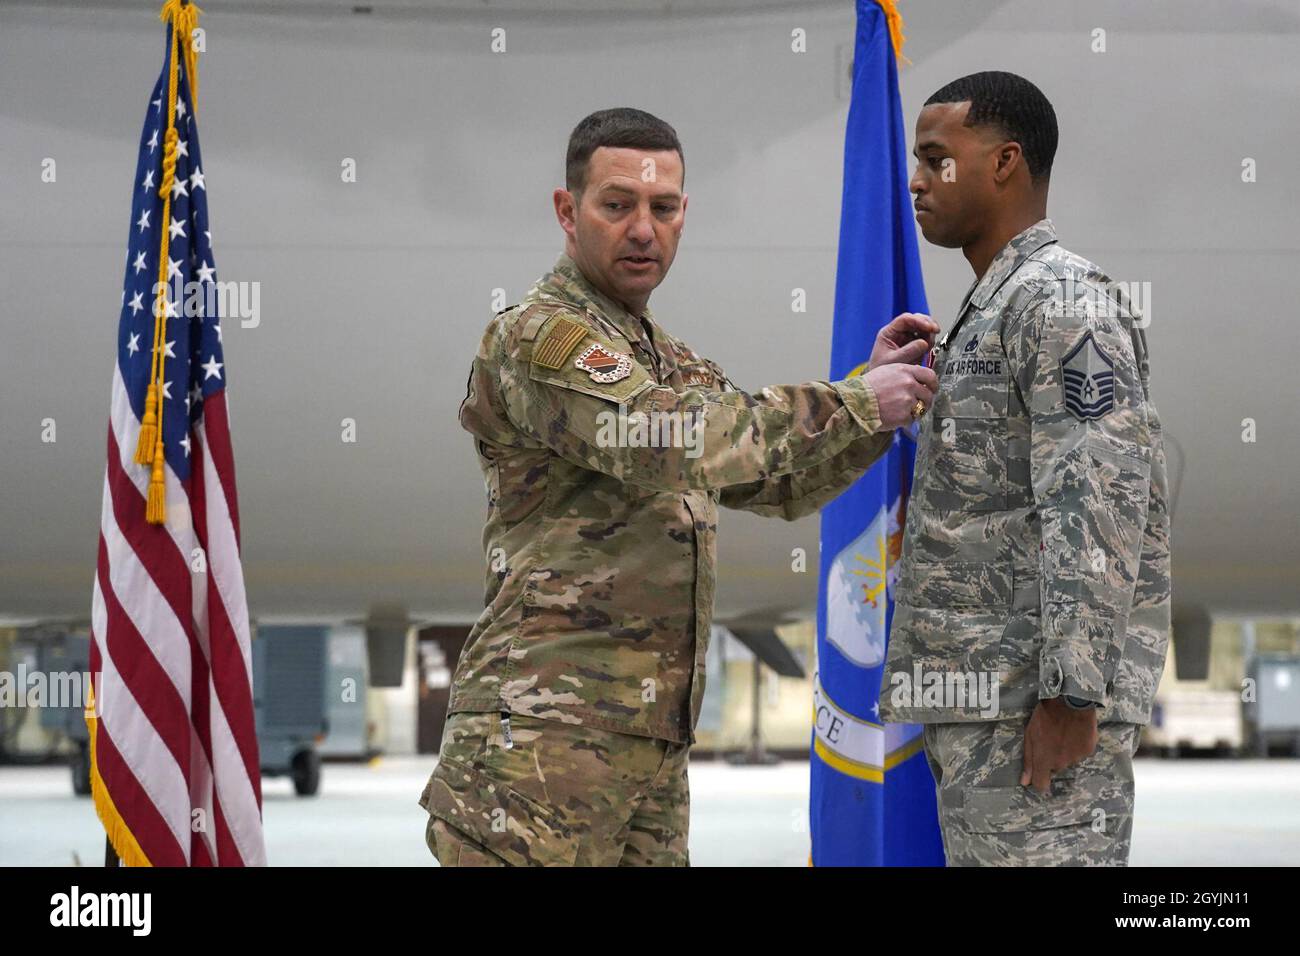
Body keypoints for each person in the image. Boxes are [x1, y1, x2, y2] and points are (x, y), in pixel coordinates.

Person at [419, 107, 939, 866]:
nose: (642, 230)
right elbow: (671, 438)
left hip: (650, 752)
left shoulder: (668, 359)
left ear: (684, 215)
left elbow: (772, 482)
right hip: (540, 749)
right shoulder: (539, 337)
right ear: (568, 211)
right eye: (617, 204)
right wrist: (858, 402)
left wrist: (873, 395)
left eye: (663, 209)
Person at [879, 72, 1171, 866]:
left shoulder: (1061, 302)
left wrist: (1072, 693)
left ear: (1005, 162)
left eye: (936, 158)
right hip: (984, 707)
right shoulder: (993, 306)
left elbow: (1096, 499)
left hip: (1032, 713)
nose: (915, 180)